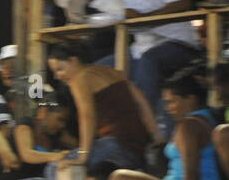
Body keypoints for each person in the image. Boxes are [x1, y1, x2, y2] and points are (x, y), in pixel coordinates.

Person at [93, 0, 201, 138]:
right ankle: (107, 131)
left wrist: (146, 18)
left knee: (147, 61)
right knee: (98, 71)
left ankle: (145, 129)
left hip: (176, 42)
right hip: (141, 46)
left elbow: (183, 3)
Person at [47, 40, 157, 172]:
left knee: (54, 168)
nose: (57, 76)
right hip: (138, 147)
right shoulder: (112, 72)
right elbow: (142, 102)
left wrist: (83, 156)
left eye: (60, 69)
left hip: (114, 145)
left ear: (73, 61)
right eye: (54, 72)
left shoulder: (79, 79)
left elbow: (87, 116)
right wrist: (157, 137)